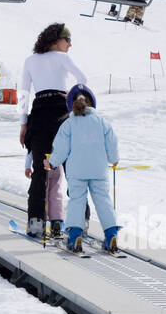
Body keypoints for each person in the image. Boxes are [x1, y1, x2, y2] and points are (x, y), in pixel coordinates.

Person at [19, 23, 88, 238]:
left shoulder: (30, 61)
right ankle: (79, 223)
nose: (70, 45)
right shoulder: (62, 58)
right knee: (73, 170)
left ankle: (36, 224)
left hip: (39, 116)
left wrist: (23, 124)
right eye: (67, 40)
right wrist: (74, 101)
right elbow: (83, 80)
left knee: (40, 173)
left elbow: (24, 93)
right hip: (61, 114)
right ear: (56, 40)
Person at [48, 84, 122, 254]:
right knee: (103, 201)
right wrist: (114, 159)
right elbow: (112, 142)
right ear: (92, 102)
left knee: (76, 202)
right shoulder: (102, 122)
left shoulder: (68, 124)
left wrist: (52, 163)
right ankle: (111, 236)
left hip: (77, 171)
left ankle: (75, 238)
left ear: (70, 104)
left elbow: (60, 148)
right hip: (99, 170)